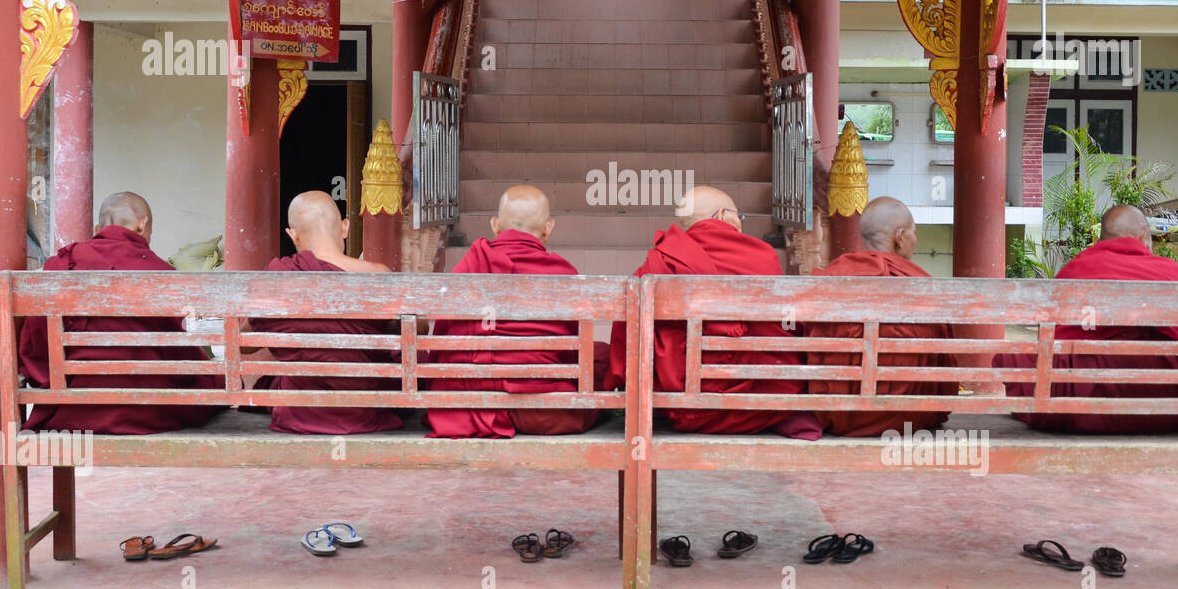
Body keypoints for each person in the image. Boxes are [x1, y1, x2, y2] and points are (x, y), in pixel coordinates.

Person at [605, 186, 821, 439]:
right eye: (738, 216)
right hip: (758, 403)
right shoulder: (761, 256)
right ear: (722, 215)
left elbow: (627, 334)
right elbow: (788, 327)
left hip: (684, 406)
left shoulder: (661, 262)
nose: (740, 224)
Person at [18, 192, 223, 434]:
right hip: (147, 408)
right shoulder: (162, 273)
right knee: (216, 382)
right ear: (143, 223)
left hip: (74, 407)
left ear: (97, 228)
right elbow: (175, 352)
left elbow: (37, 345)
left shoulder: (63, 266)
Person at [997, 204, 1178, 434]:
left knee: (1017, 358)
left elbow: (1055, 343)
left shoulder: (1075, 270)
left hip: (1080, 406)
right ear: (1145, 236)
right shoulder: (1171, 272)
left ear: (1099, 239)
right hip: (1166, 406)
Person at [429, 185, 601, 438]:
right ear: (548, 227)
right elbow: (571, 350)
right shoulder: (565, 276)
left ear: (495, 225)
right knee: (600, 358)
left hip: (467, 406)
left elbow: (442, 341)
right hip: (543, 411)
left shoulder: (467, 268)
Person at [256, 191, 405, 435]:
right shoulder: (377, 273)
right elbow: (414, 328)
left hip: (301, 407)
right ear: (345, 227)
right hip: (362, 402)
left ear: (292, 236)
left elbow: (246, 344)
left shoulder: (280, 277)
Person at [807, 197, 957, 435]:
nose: (914, 241)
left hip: (839, 414)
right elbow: (942, 365)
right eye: (913, 233)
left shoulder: (834, 277)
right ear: (899, 236)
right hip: (906, 417)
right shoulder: (922, 287)